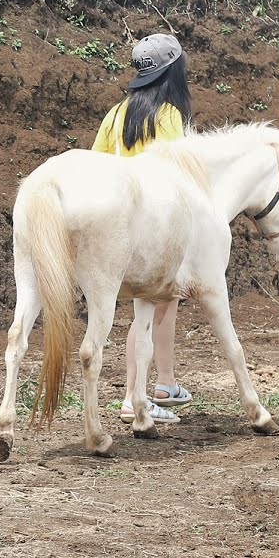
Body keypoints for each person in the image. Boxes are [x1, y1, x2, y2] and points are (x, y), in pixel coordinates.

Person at [91, 32, 195, 427]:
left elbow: (96, 166)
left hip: (111, 227)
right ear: (173, 73)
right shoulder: (168, 116)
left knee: (168, 301)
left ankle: (165, 383)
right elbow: (177, 176)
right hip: (151, 230)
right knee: (148, 312)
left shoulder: (116, 114)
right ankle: (133, 397)